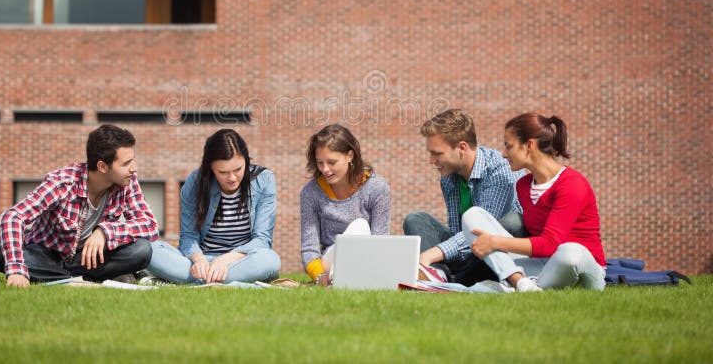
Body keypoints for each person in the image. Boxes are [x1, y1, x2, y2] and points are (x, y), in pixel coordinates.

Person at [0, 125, 158, 287]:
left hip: (88, 259)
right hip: (46, 255)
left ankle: (64, 278)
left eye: (132, 160)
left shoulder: (127, 181)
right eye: (126, 163)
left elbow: (149, 225)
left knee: (141, 250)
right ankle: (86, 279)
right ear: (102, 166)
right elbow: (12, 217)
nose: (134, 168)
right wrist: (17, 270)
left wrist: (106, 232)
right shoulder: (63, 182)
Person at [463, 113, 606, 292]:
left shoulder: (572, 184)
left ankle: (513, 287)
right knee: (473, 215)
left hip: (583, 267)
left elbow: (550, 243)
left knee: (570, 253)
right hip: (541, 264)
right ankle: (521, 283)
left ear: (529, 145)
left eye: (509, 146)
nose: (504, 154)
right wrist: (494, 242)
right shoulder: (523, 185)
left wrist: (495, 242)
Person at [404, 109, 524, 285]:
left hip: (498, 250)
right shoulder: (449, 177)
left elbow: (482, 231)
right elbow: (457, 230)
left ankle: (450, 276)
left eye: (437, 153)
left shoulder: (500, 171)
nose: (431, 160)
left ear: (461, 148)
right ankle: (440, 275)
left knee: (511, 222)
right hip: (468, 253)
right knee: (415, 219)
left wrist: (430, 255)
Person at [146, 129, 280, 284]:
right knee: (149, 249)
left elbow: (262, 240)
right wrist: (199, 260)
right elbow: (188, 237)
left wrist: (224, 260)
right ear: (210, 168)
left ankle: (197, 281)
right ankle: (224, 281)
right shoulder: (195, 182)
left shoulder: (264, 180)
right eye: (223, 172)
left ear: (246, 160)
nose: (232, 178)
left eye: (238, 169)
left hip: (241, 261)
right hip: (201, 260)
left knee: (270, 260)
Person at [300, 124, 391, 286]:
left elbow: (380, 239)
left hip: (366, 258)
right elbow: (309, 247)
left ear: (350, 156)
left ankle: (343, 281)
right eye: (320, 163)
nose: (325, 169)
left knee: (361, 227)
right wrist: (320, 275)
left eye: (332, 162)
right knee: (360, 226)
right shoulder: (310, 192)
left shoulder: (377, 187)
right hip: (330, 259)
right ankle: (337, 281)